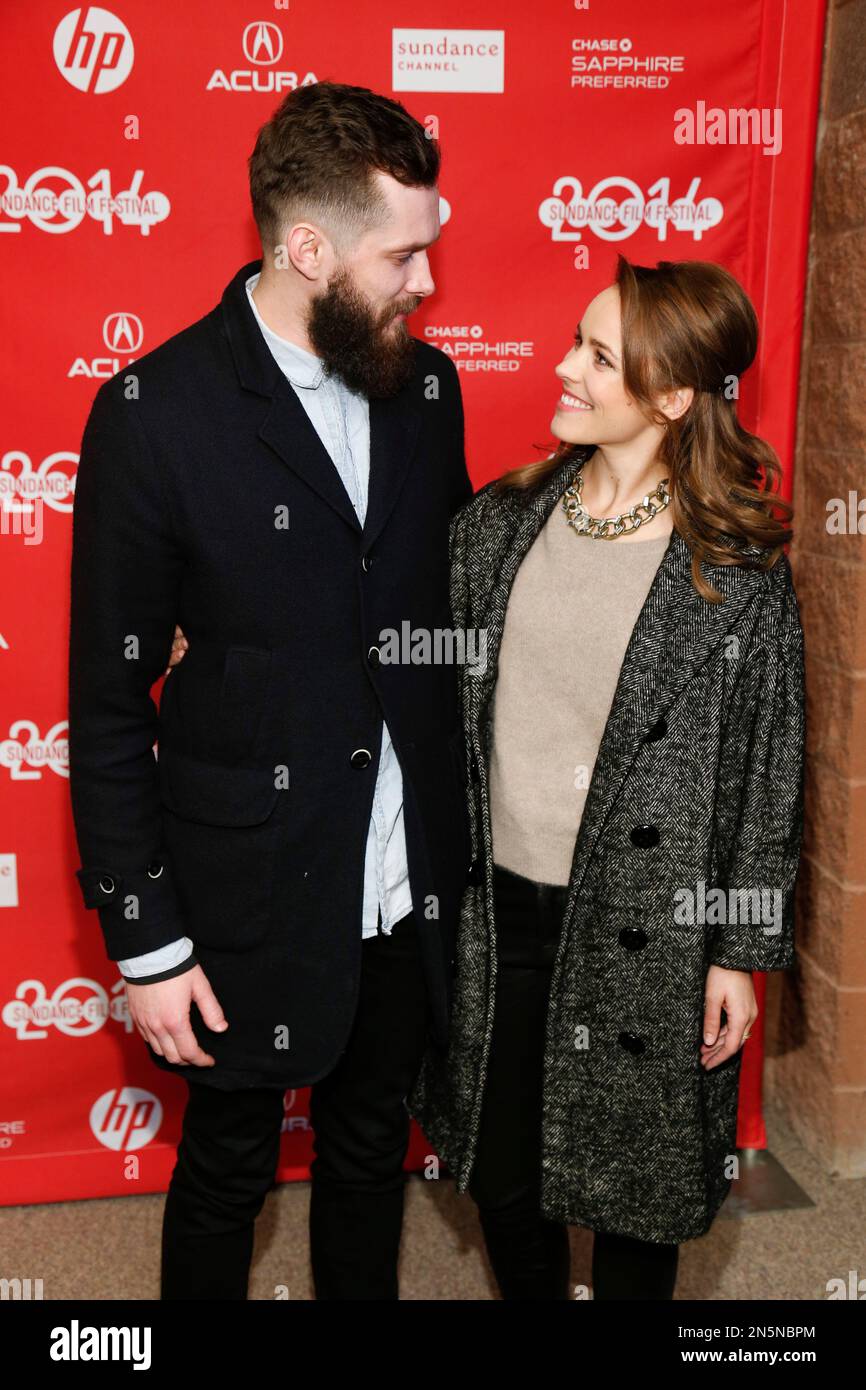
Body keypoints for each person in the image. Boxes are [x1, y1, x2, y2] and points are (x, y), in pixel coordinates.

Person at [67, 81, 473, 1301]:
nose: (424, 283)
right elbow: (103, 702)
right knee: (227, 1169)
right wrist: (144, 942)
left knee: (366, 1154)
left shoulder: (430, 388)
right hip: (242, 878)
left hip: (402, 870)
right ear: (308, 249)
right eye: (402, 254)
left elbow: (433, 623)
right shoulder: (153, 414)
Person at [405, 255, 806, 1299]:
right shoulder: (494, 528)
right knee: (500, 1170)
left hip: (652, 923)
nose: (561, 366)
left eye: (596, 355)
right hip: (498, 910)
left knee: (635, 1190)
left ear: (672, 396)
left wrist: (737, 950)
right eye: (572, 342)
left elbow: (764, 769)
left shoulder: (737, 565)